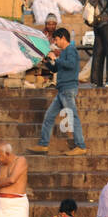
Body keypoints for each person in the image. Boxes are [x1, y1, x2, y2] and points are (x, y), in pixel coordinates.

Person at [32, 28, 86, 157]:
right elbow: (57, 68)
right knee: (49, 116)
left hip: (68, 89)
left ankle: (81, 146)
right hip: (62, 90)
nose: (55, 42)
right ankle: (43, 144)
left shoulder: (71, 49)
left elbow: (71, 65)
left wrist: (55, 58)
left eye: (56, 39)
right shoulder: (65, 52)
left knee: (73, 118)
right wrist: (48, 62)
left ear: (63, 38)